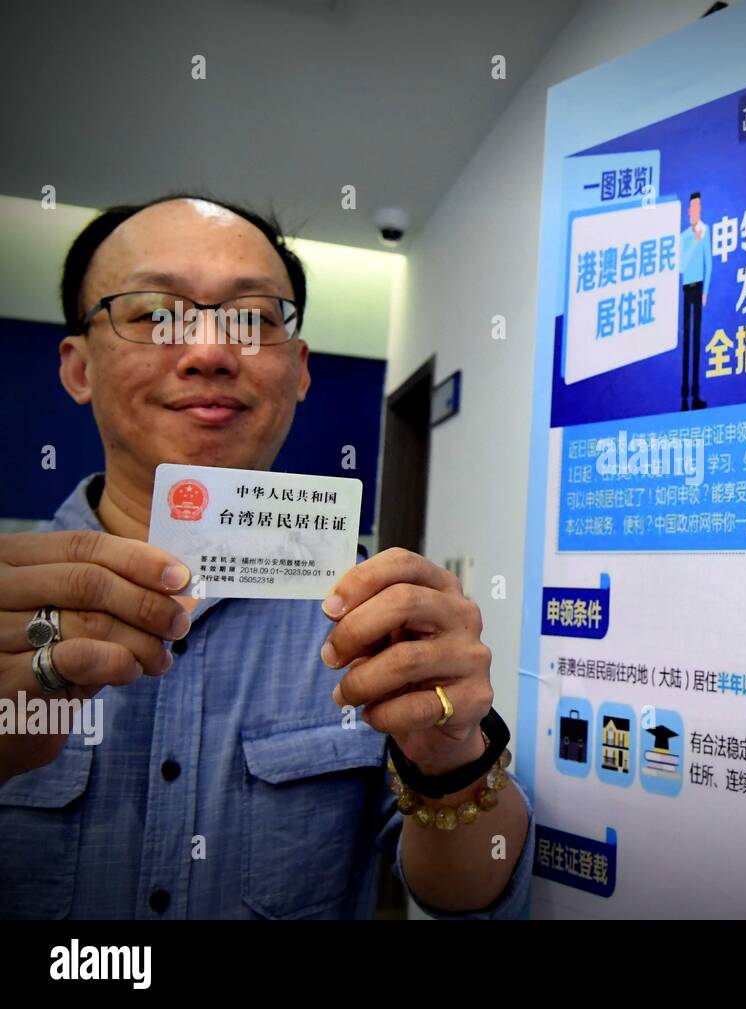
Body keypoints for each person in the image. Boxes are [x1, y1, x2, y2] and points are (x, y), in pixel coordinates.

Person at [0, 194, 533, 919]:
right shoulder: (9, 606)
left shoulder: (372, 616)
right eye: (155, 313)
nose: (213, 353)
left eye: (253, 320)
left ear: (300, 368)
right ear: (78, 366)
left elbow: (470, 894)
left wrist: (454, 757)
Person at [677, 192, 712, 410]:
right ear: (688, 211)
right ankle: (683, 395)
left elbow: (709, 263)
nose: (695, 211)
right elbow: (681, 266)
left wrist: (706, 291)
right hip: (686, 289)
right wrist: (694, 242)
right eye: (693, 208)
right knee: (687, 341)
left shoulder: (705, 231)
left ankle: (696, 393)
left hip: (699, 289)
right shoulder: (684, 236)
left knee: (697, 340)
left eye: (699, 208)